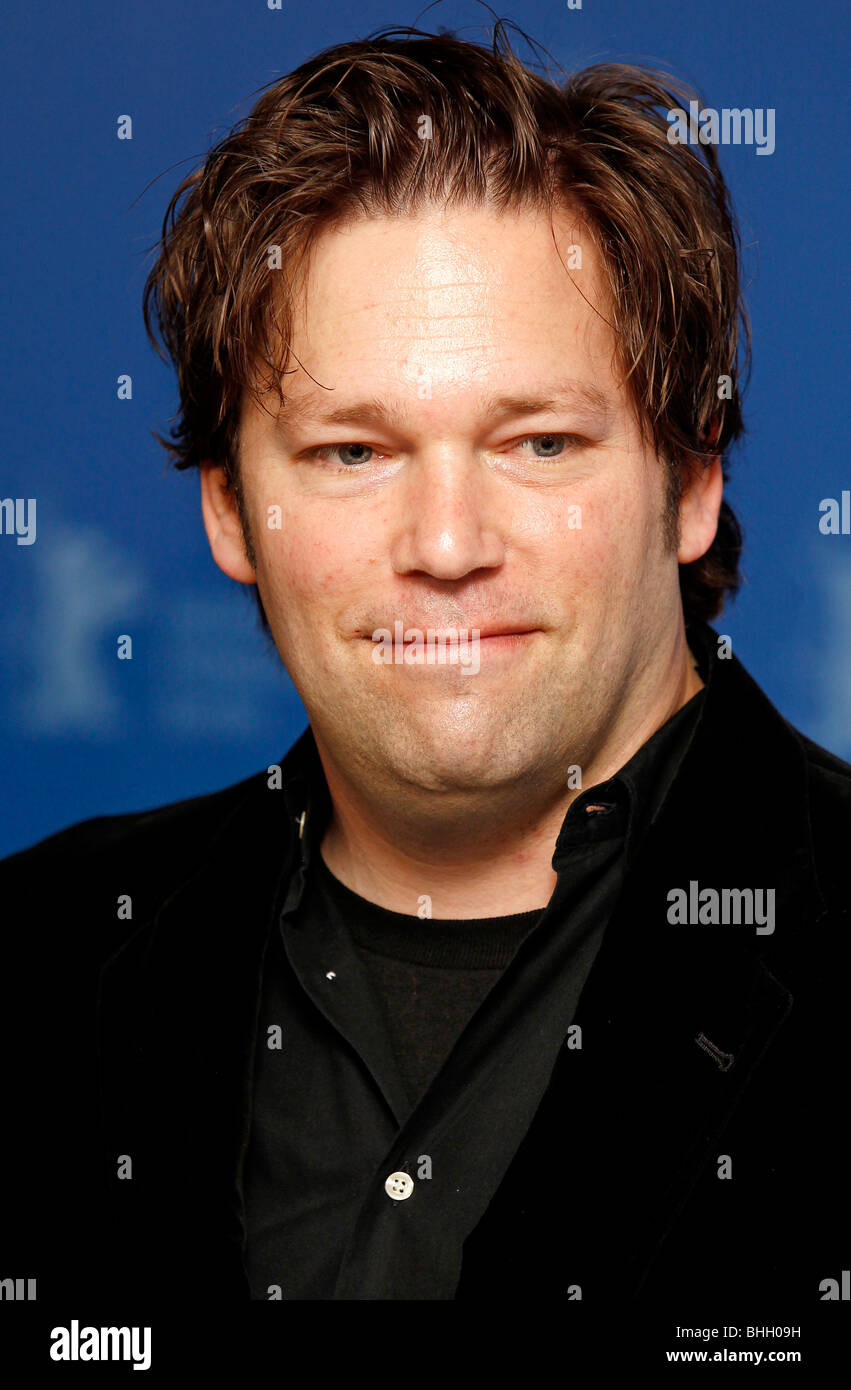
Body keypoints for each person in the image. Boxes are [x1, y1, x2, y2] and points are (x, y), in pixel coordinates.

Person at [2, 26, 848, 1310]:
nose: (446, 546)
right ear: (228, 510)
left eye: (540, 443)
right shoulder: (36, 957)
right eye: (353, 452)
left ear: (690, 480)